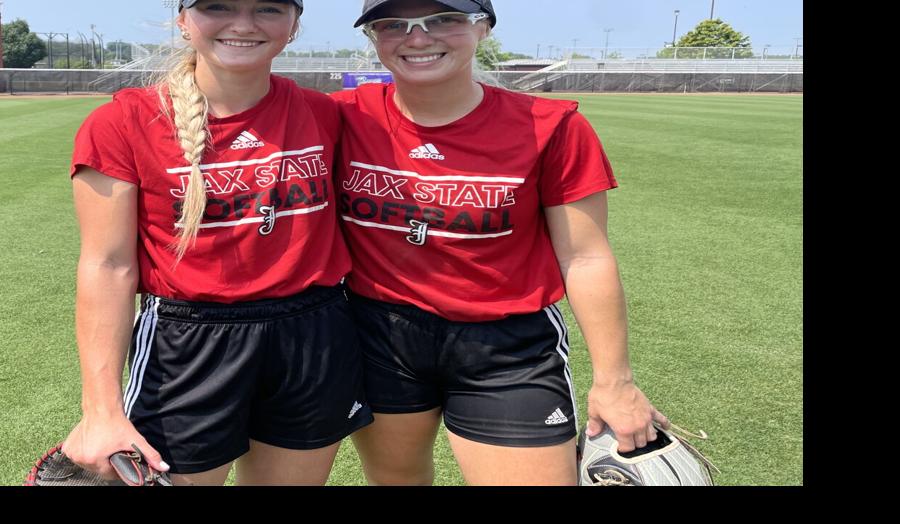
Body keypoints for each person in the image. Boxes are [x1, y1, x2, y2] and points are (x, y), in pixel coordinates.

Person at [332, 0, 668, 486]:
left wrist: (615, 381)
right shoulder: (342, 116)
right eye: (393, 24)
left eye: (443, 19)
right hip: (380, 335)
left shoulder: (551, 126)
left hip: (509, 348)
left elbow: (586, 256)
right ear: (373, 38)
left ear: (483, 28)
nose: (418, 37)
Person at [62, 0, 372, 486]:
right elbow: (108, 266)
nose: (243, 24)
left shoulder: (322, 113)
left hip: (314, 336)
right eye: (217, 6)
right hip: (191, 344)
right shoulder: (121, 124)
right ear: (184, 21)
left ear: (294, 25)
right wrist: (101, 410)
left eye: (268, 8)